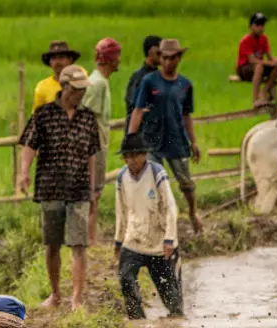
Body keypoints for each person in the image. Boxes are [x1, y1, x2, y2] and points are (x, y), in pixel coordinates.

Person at [18, 64, 102, 310]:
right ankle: (55, 295)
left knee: (79, 244)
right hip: (50, 186)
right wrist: (24, 173)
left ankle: (76, 298)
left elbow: (91, 154)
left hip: (78, 188)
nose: (80, 94)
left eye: (83, 90)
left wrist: (93, 186)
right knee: (52, 243)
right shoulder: (43, 114)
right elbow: (30, 145)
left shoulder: (87, 118)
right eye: (76, 89)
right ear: (64, 87)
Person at [128, 38, 202, 234]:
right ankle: (155, 221)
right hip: (152, 138)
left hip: (176, 139)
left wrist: (193, 141)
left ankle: (193, 212)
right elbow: (138, 110)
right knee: (152, 180)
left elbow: (187, 115)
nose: (169, 62)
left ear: (179, 58)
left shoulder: (185, 85)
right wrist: (131, 139)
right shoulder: (149, 81)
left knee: (186, 183)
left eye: (173, 58)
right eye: (165, 58)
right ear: (160, 58)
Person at [113, 133, 181, 319]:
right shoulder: (122, 178)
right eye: (127, 156)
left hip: (158, 241)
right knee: (126, 279)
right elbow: (121, 212)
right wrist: (118, 241)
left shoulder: (156, 173)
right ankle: (138, 322)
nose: (131, 160)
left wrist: (169, 239)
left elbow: (170, 207)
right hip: (133, 238)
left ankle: (175, 319)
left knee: (171, 296)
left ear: (144, 155)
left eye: (135, 155)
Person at [82, 37, 120, 245]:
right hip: (94, 146)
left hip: (98, 145)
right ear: (109, 59)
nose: (119, 61)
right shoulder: (97, 84)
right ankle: (89, 239)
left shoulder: (101, 82)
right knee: (93, 194)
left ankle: (90, 238)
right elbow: (86, 116)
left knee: (95, 193)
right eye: (117, 56)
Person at [237, 12, 277, 107]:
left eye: (262, 25)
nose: (261, 27)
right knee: (259, 67)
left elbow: (270, 56)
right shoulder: (245, 40)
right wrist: (269, 63)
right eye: (258, 25)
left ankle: (264, 91)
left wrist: (275, 62)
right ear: (251, 27)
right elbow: (252, 60)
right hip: (245, 68)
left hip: (258, 66)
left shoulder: (264, 39)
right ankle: (255, 100)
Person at [125, 35, 162, 129]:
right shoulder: (139, 77)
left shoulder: (161, 76)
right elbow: (133, 105)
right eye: (159, 53)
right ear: (150, 52)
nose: (162, 56)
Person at [34, 40, 80, 112]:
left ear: (70, 60)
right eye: (54, 58)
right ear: (50, 62)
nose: (57, 62)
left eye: (61, 57)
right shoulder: (42, 87)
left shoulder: (80, 83)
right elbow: (36, 116)